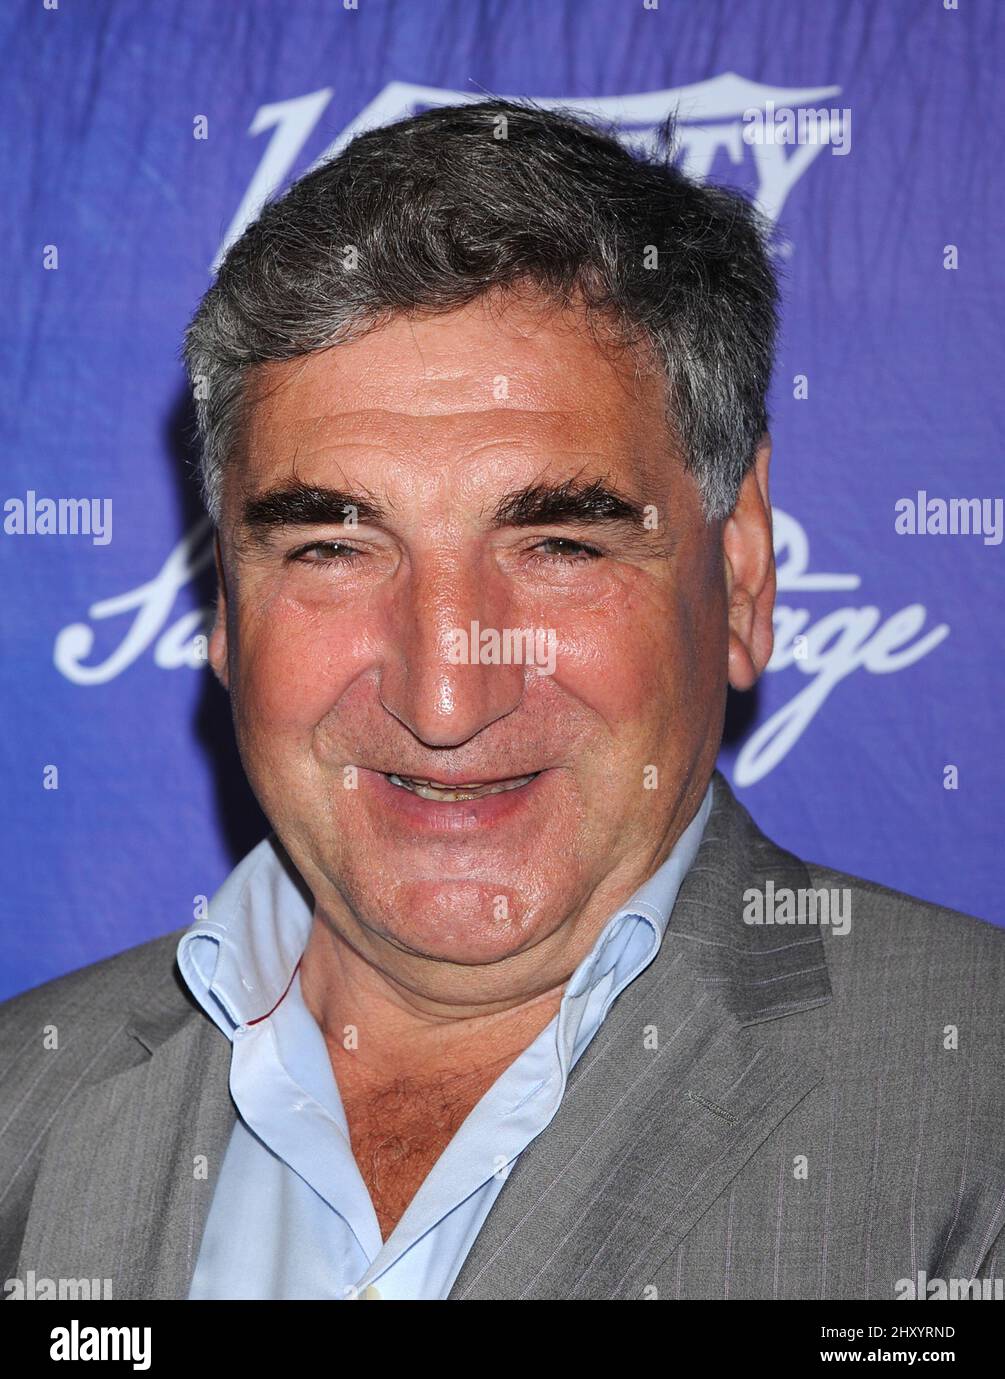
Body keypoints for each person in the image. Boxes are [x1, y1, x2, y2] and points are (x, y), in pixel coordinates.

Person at [2, 100, 1003, 1302]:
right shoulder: (22, 1101)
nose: (444, 696)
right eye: (333, 547)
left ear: (740, 570)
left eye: (559, 545)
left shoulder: (973, 1099)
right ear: (226, 597)